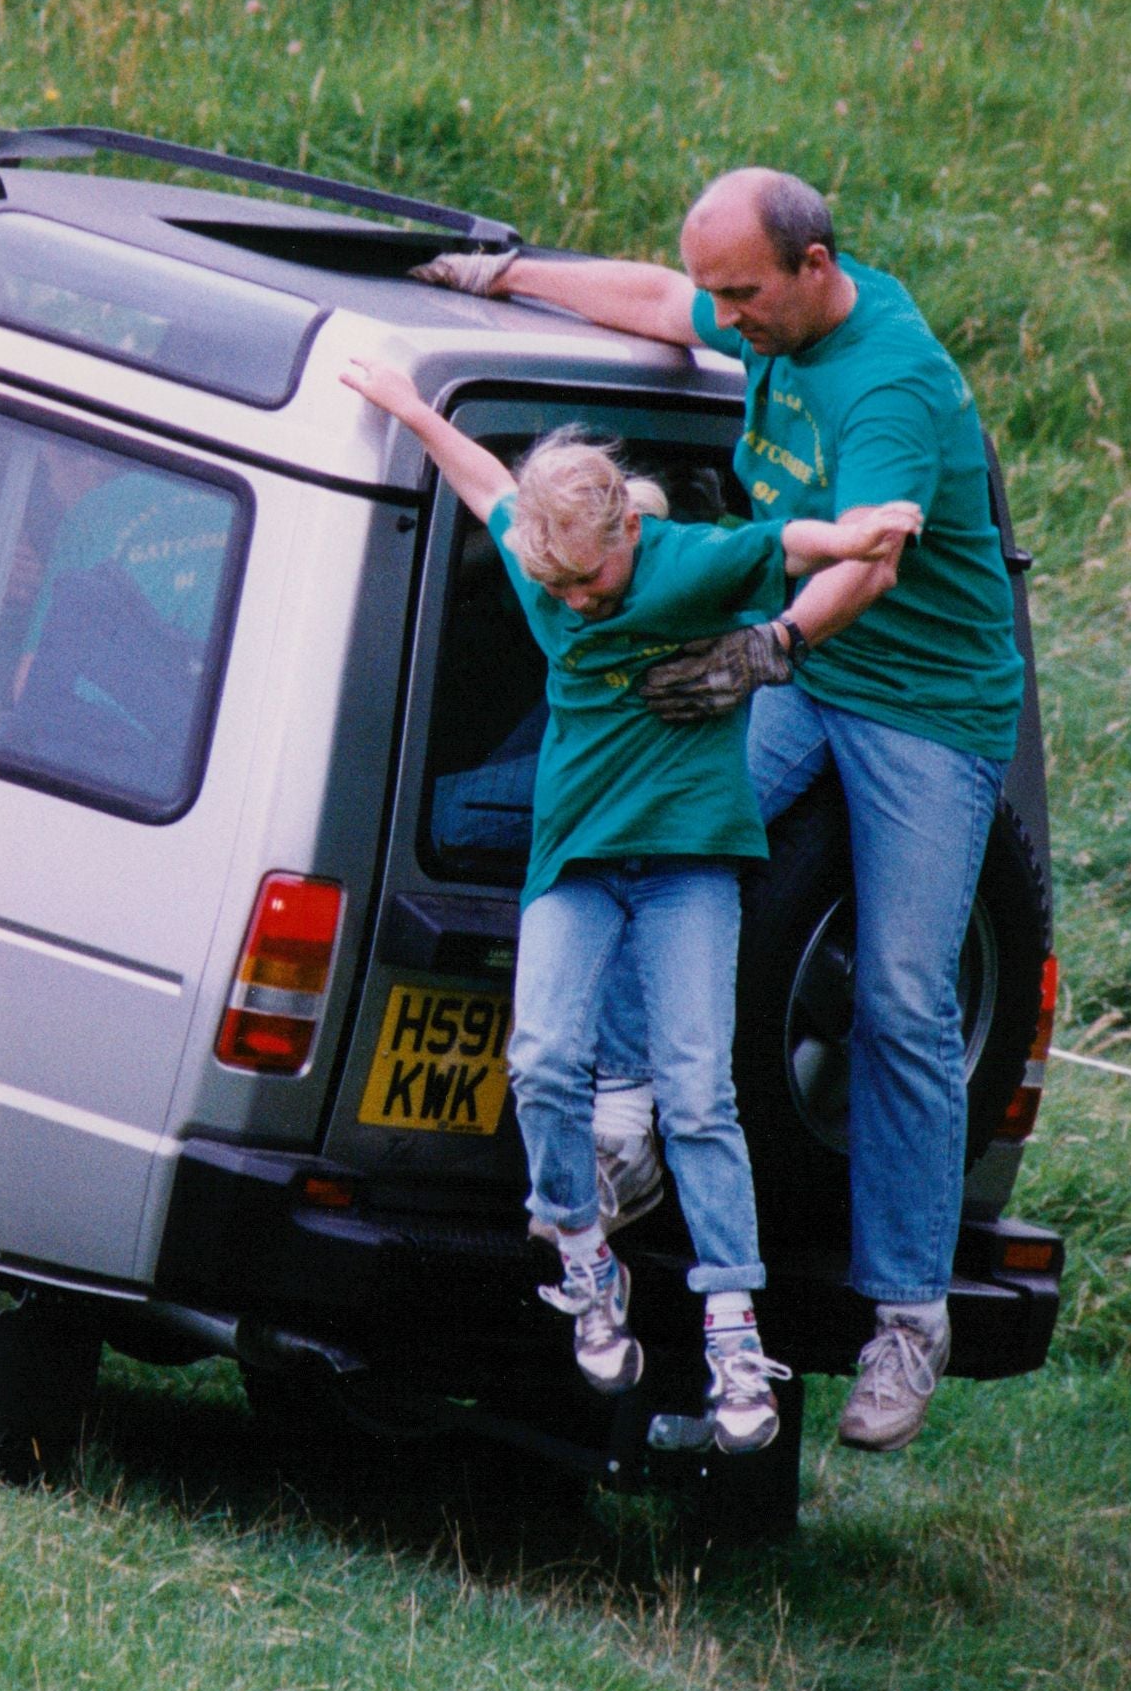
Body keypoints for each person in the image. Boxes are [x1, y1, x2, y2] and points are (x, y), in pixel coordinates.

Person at [412, 166, 1025, 1452]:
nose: (724, 315)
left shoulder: (889, 381)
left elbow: (873, 552)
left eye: (743, 293)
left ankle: (907, 1318)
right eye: (720, 292)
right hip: (810, 665)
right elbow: (649, 296)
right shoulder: (764, 313)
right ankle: (626, 1123)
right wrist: (499, 274)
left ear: (812, 268)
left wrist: (763, 654)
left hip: (921, 704)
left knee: (903, 994)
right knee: (665, 817)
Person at [341, 352, 921, 1455]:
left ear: (622, 535)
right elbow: (484, 483)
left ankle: (734, 1331)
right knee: (543, 1060)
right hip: (577, 856)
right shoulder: (546, 560)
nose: (570, 603)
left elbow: (802, 547)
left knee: (698, 1094)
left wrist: (866, 534)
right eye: (552, 586)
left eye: (586, 584)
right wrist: (413, 409)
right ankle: (580, 1251)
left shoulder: (689, 563)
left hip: (690, 861)